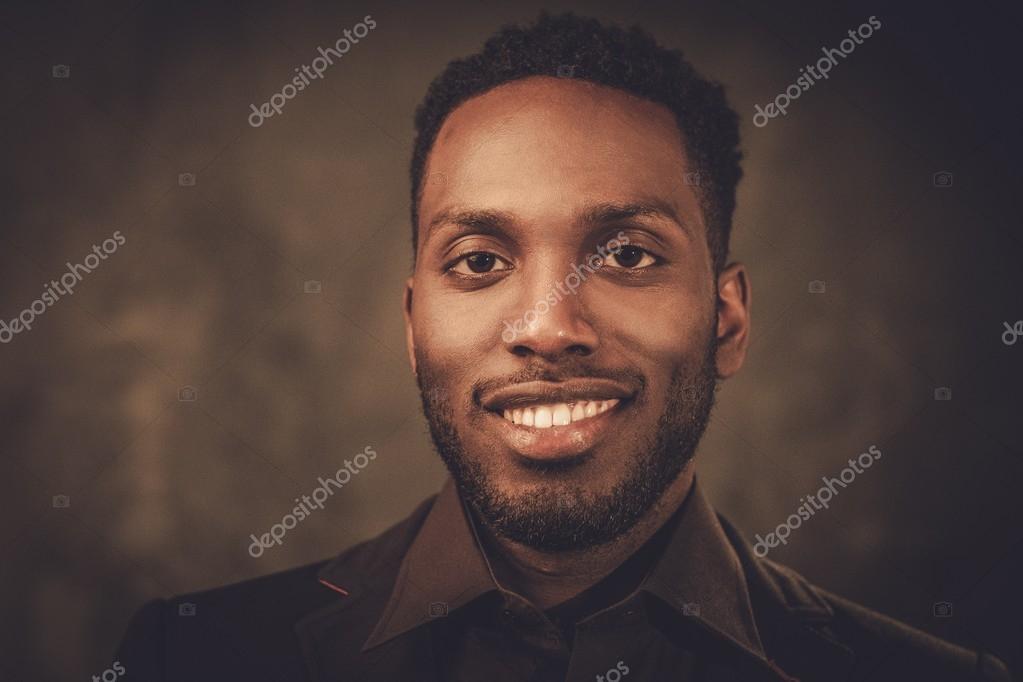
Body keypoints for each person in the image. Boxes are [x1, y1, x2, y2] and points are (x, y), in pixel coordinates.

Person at [115, 12, 1011, 681]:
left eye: (625, 254)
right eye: (478, 260)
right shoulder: (191, 655)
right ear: (412, 327)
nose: (546, 326)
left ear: (726, 320)